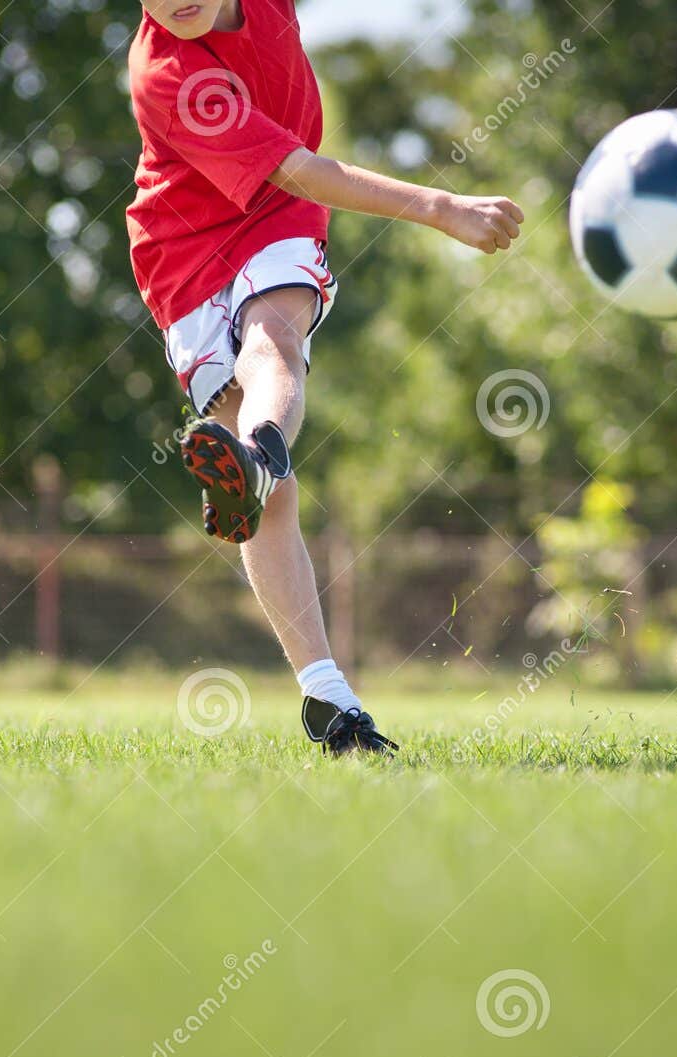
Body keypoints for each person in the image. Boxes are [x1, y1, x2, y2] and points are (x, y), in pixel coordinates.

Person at [127, 0, 523, 754]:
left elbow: (291, 191)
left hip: (277, 222)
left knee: (274, 336)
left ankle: (260, 454)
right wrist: (441, 207)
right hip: (181, 256)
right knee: (272, 501)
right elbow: (301, 168)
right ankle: (329, 702)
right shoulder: (168, 73)